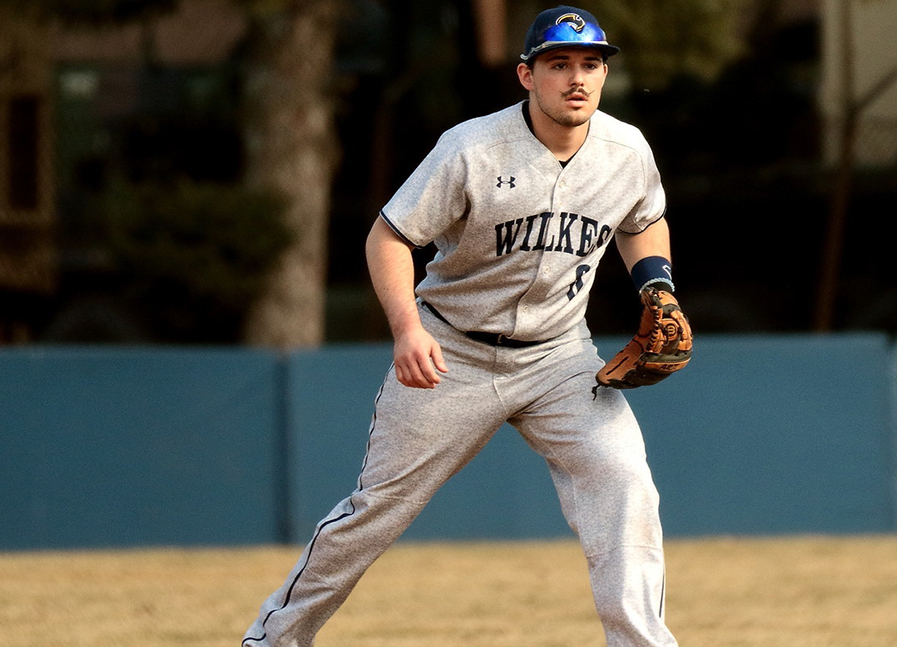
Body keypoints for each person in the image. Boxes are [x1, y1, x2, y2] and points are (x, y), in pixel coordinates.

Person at [243, 6, 687, 646]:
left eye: (590, 64)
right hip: (452, 352)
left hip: (560, 357)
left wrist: (658, 288)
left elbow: (643, 218)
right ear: (526, 75)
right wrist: (407, 329)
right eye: (558, 64)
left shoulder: (626, 149)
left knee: (625, 485)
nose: (577, 78)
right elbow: (389, 237)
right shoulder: (472, 148)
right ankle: (272, 640)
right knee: (375, 513)